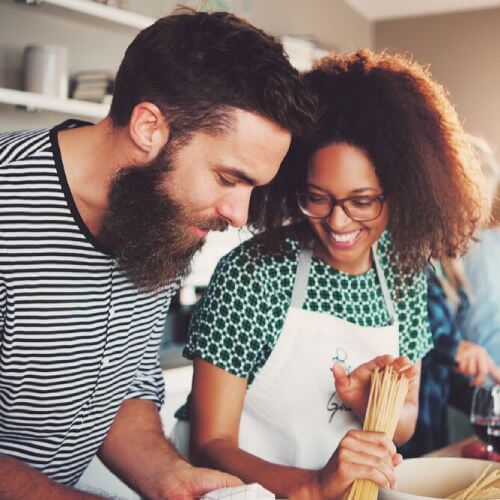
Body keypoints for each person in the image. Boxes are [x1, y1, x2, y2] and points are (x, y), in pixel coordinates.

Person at [0, 9, 315, 499]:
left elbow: (120, 391)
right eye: (229, 178)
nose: (238, 214)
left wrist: (170, 478)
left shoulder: (156, 218)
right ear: (149, 127)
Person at [171, 50, 486, 499]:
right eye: (317, 198)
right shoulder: (253, 275)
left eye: (361, 201)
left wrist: (367, 404)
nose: (338, 222)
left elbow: (407, 420)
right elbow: (208, 445)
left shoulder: (402, 273)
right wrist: (314, 487)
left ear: (401, 192)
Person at [399, 260, 500, 458]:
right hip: (402, 439)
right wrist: (456, 349)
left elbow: (447, 377)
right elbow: (417, 335)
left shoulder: (447, 270)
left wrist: (489, 403)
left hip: (433, 436)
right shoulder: (409, 263)